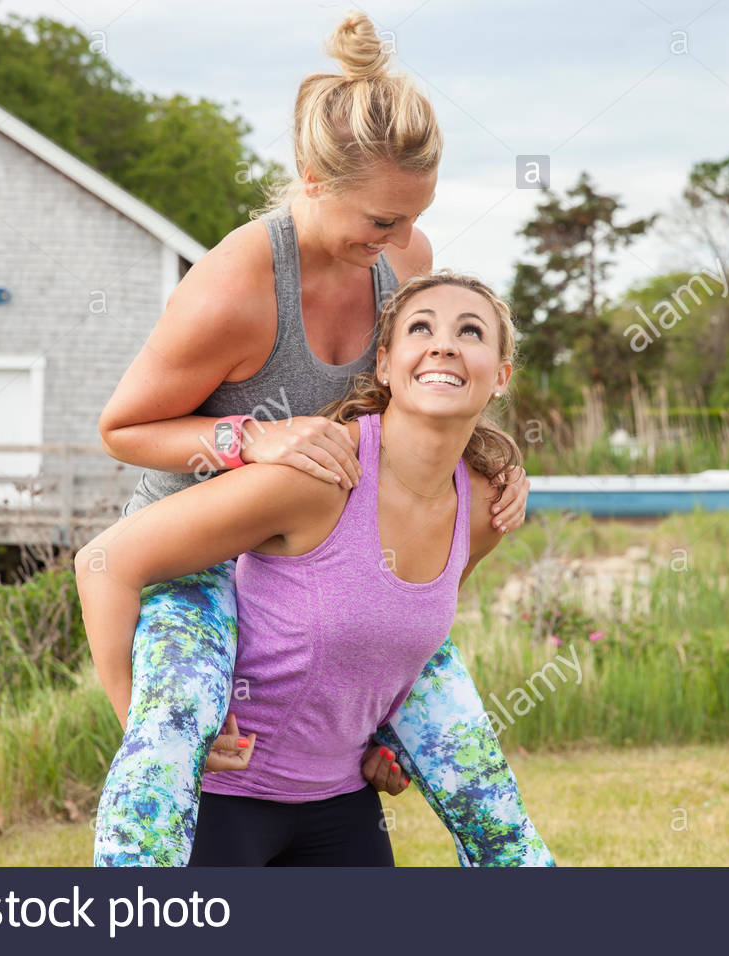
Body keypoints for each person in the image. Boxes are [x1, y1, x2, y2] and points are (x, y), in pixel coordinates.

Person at [87, 11, 548, 867]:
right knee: (158, 781)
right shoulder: (235, 285)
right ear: (311, 178)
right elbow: (123, 428)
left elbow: (416, 389)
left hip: (318, 557)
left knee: (488, 800)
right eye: (381, 220)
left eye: (415, 217)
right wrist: (249, 443)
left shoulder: (403, 260)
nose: (402, 241)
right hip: (201, 555)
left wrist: (493, 453)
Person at [78, 272, 553, 866]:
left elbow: (404, 627)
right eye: (421, 327)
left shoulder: (485, 507)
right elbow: (102, 563)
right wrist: (152, 737)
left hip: (340, 806)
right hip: (224, 801)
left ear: (500, 375)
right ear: (384, 363)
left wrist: (387, 735)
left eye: (471, 331)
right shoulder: (319, 477)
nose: (445, 344)